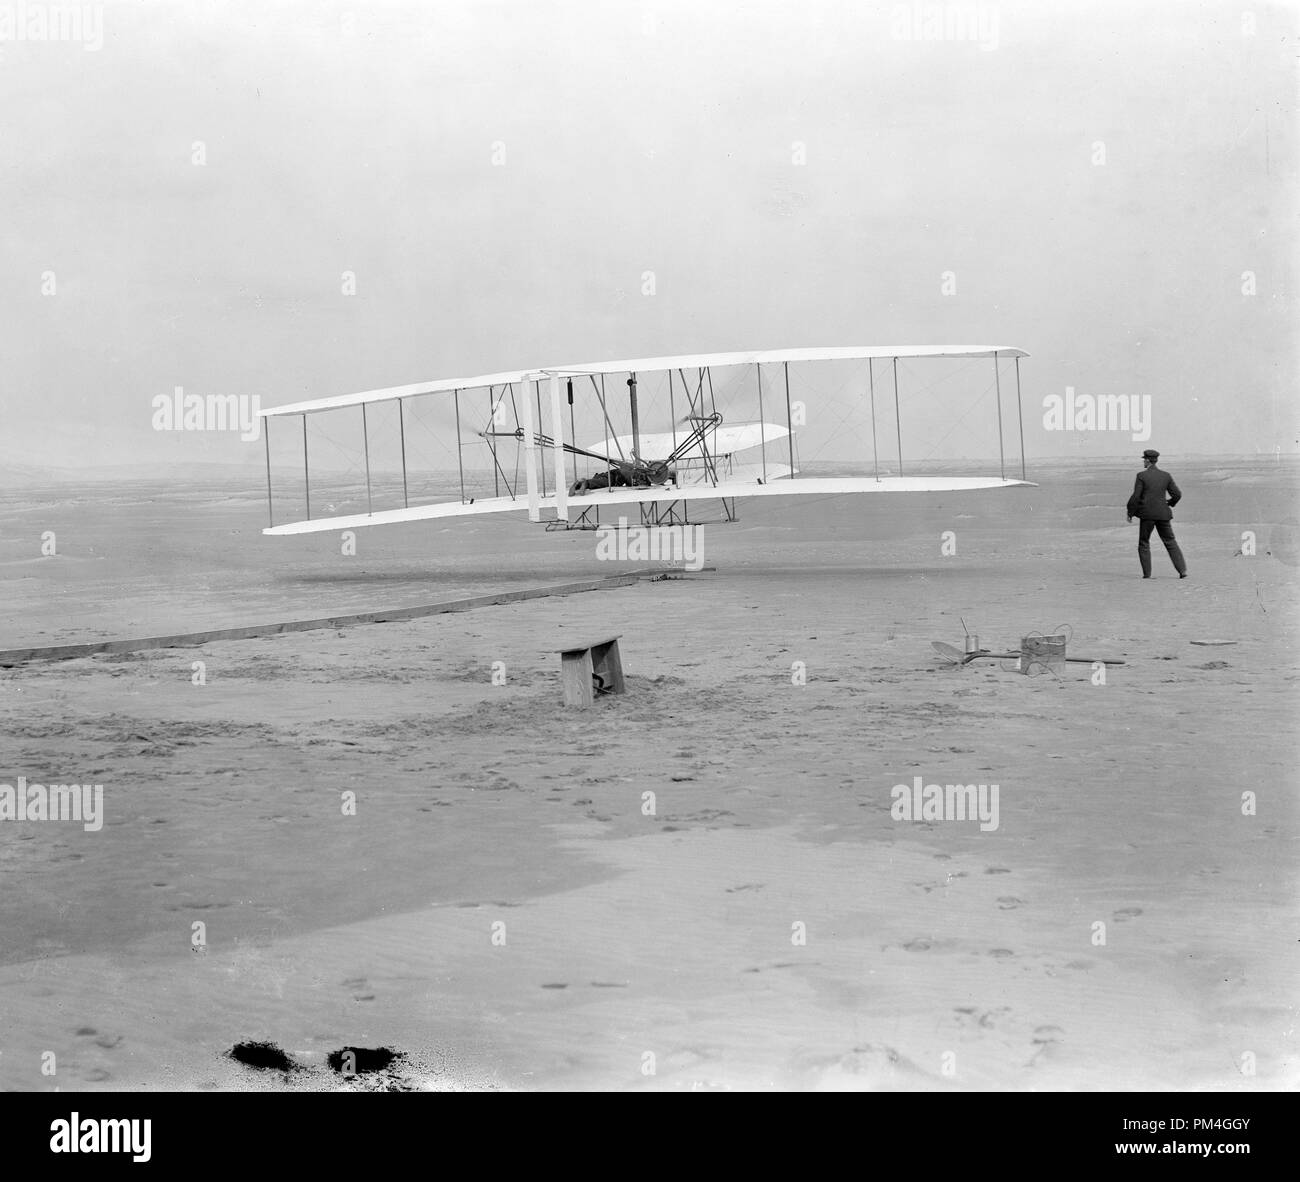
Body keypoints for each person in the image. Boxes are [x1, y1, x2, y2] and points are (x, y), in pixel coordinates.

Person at [1126, 449, 1187, 579]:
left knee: (1144, 542)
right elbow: (1177, 494)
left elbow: (1136, 496)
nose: (1143, 461)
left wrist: (1130, 512)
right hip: (1163, 514)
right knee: (1170, 542)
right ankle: (1183, 571)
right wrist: (1170, 503)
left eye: (1144, 459)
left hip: (1147, 515)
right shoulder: (1166, 475)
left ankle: (1147, 575)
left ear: (1148, 460)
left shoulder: (1141, 476)